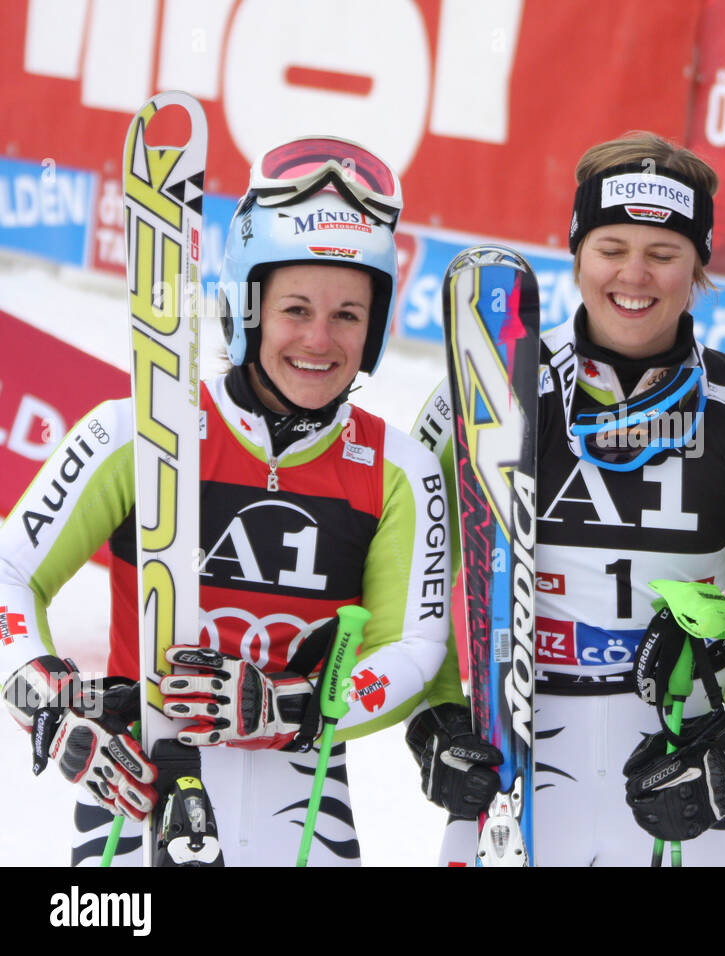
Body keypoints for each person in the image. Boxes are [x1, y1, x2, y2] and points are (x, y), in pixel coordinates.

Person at [0, 135, 452, 866]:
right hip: (136, 796)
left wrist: (288, 707)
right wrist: (44, 700)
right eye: (295, 308)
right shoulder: (135, 432)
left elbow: (413, 646)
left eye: (348, 315)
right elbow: (9, 574)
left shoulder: (398, 469)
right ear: (246, 307)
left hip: (302, 809)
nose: (319, 339)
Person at [408, 131, 725, 866]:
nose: (634, 274)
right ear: (577, 254)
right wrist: (435, 723)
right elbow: (415, 593)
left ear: (699, 267)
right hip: (515, 767)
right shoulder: (491, 392)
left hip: (677, 769)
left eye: (664, 253)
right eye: (611, 247)